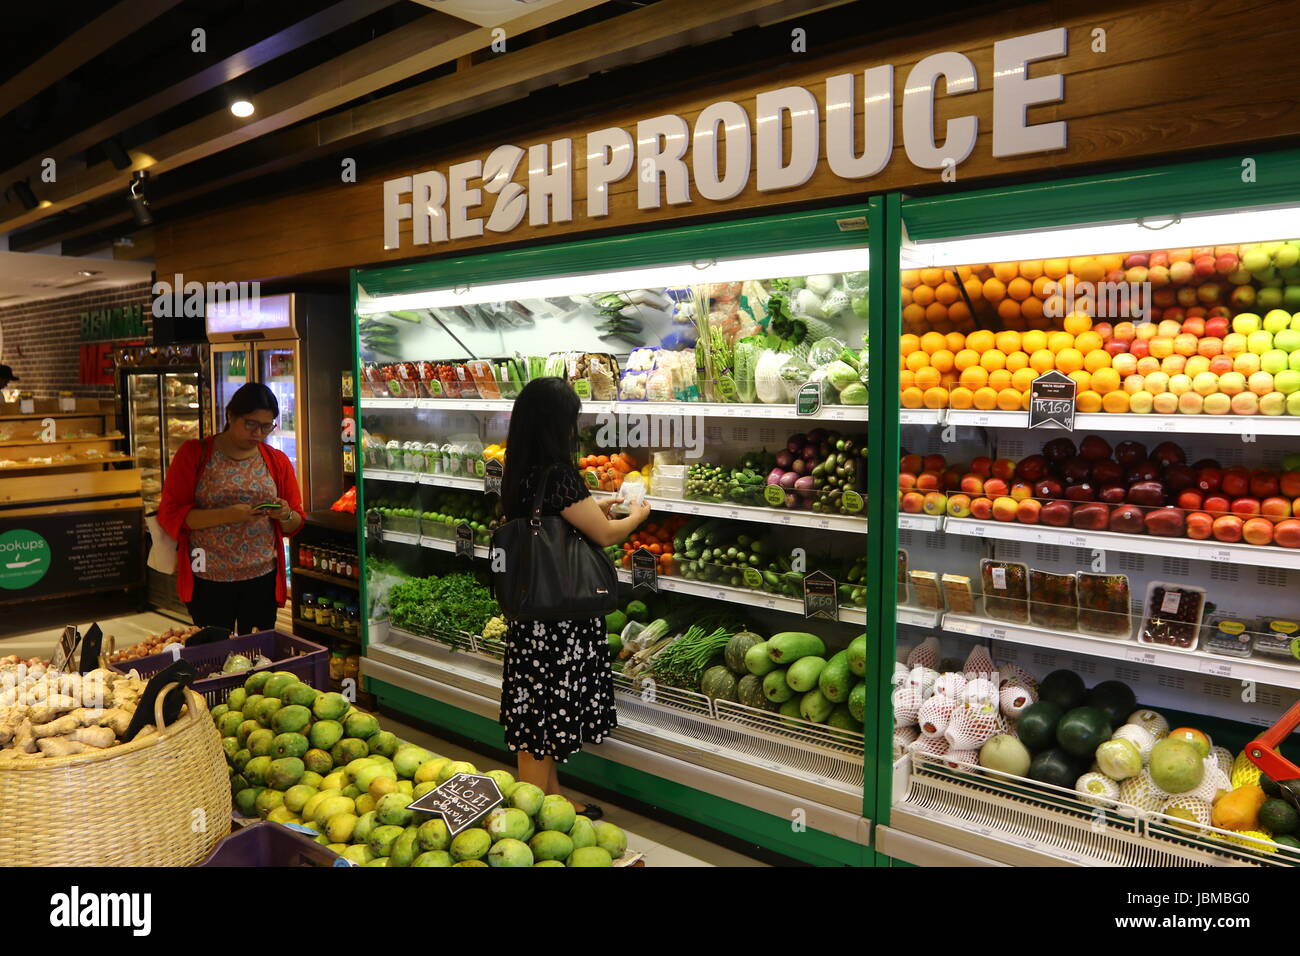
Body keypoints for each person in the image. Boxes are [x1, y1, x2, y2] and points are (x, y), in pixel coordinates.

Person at [498, 377, 650, 818]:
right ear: (558, 423)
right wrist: (636, 516)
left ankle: (552, 797)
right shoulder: (559, 474)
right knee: (542, 717)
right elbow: (604, 534)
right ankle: (532, 816)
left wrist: (593, 508)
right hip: (560, 618)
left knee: (536, 708)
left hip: (532, 613)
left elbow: (552, 520)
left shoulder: (520, 470)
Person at [157, 382, 305, 635]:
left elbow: (296, 522)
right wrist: (228, 515)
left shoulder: (276, 460)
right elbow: (171, 514)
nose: (258, 433)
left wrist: (285, 514)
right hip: (208, 577)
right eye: (250, 424)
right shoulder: (196, 454)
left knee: (258, 653)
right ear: (230, 416)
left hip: (261, 578)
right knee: (213, 654)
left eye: (266, 426)